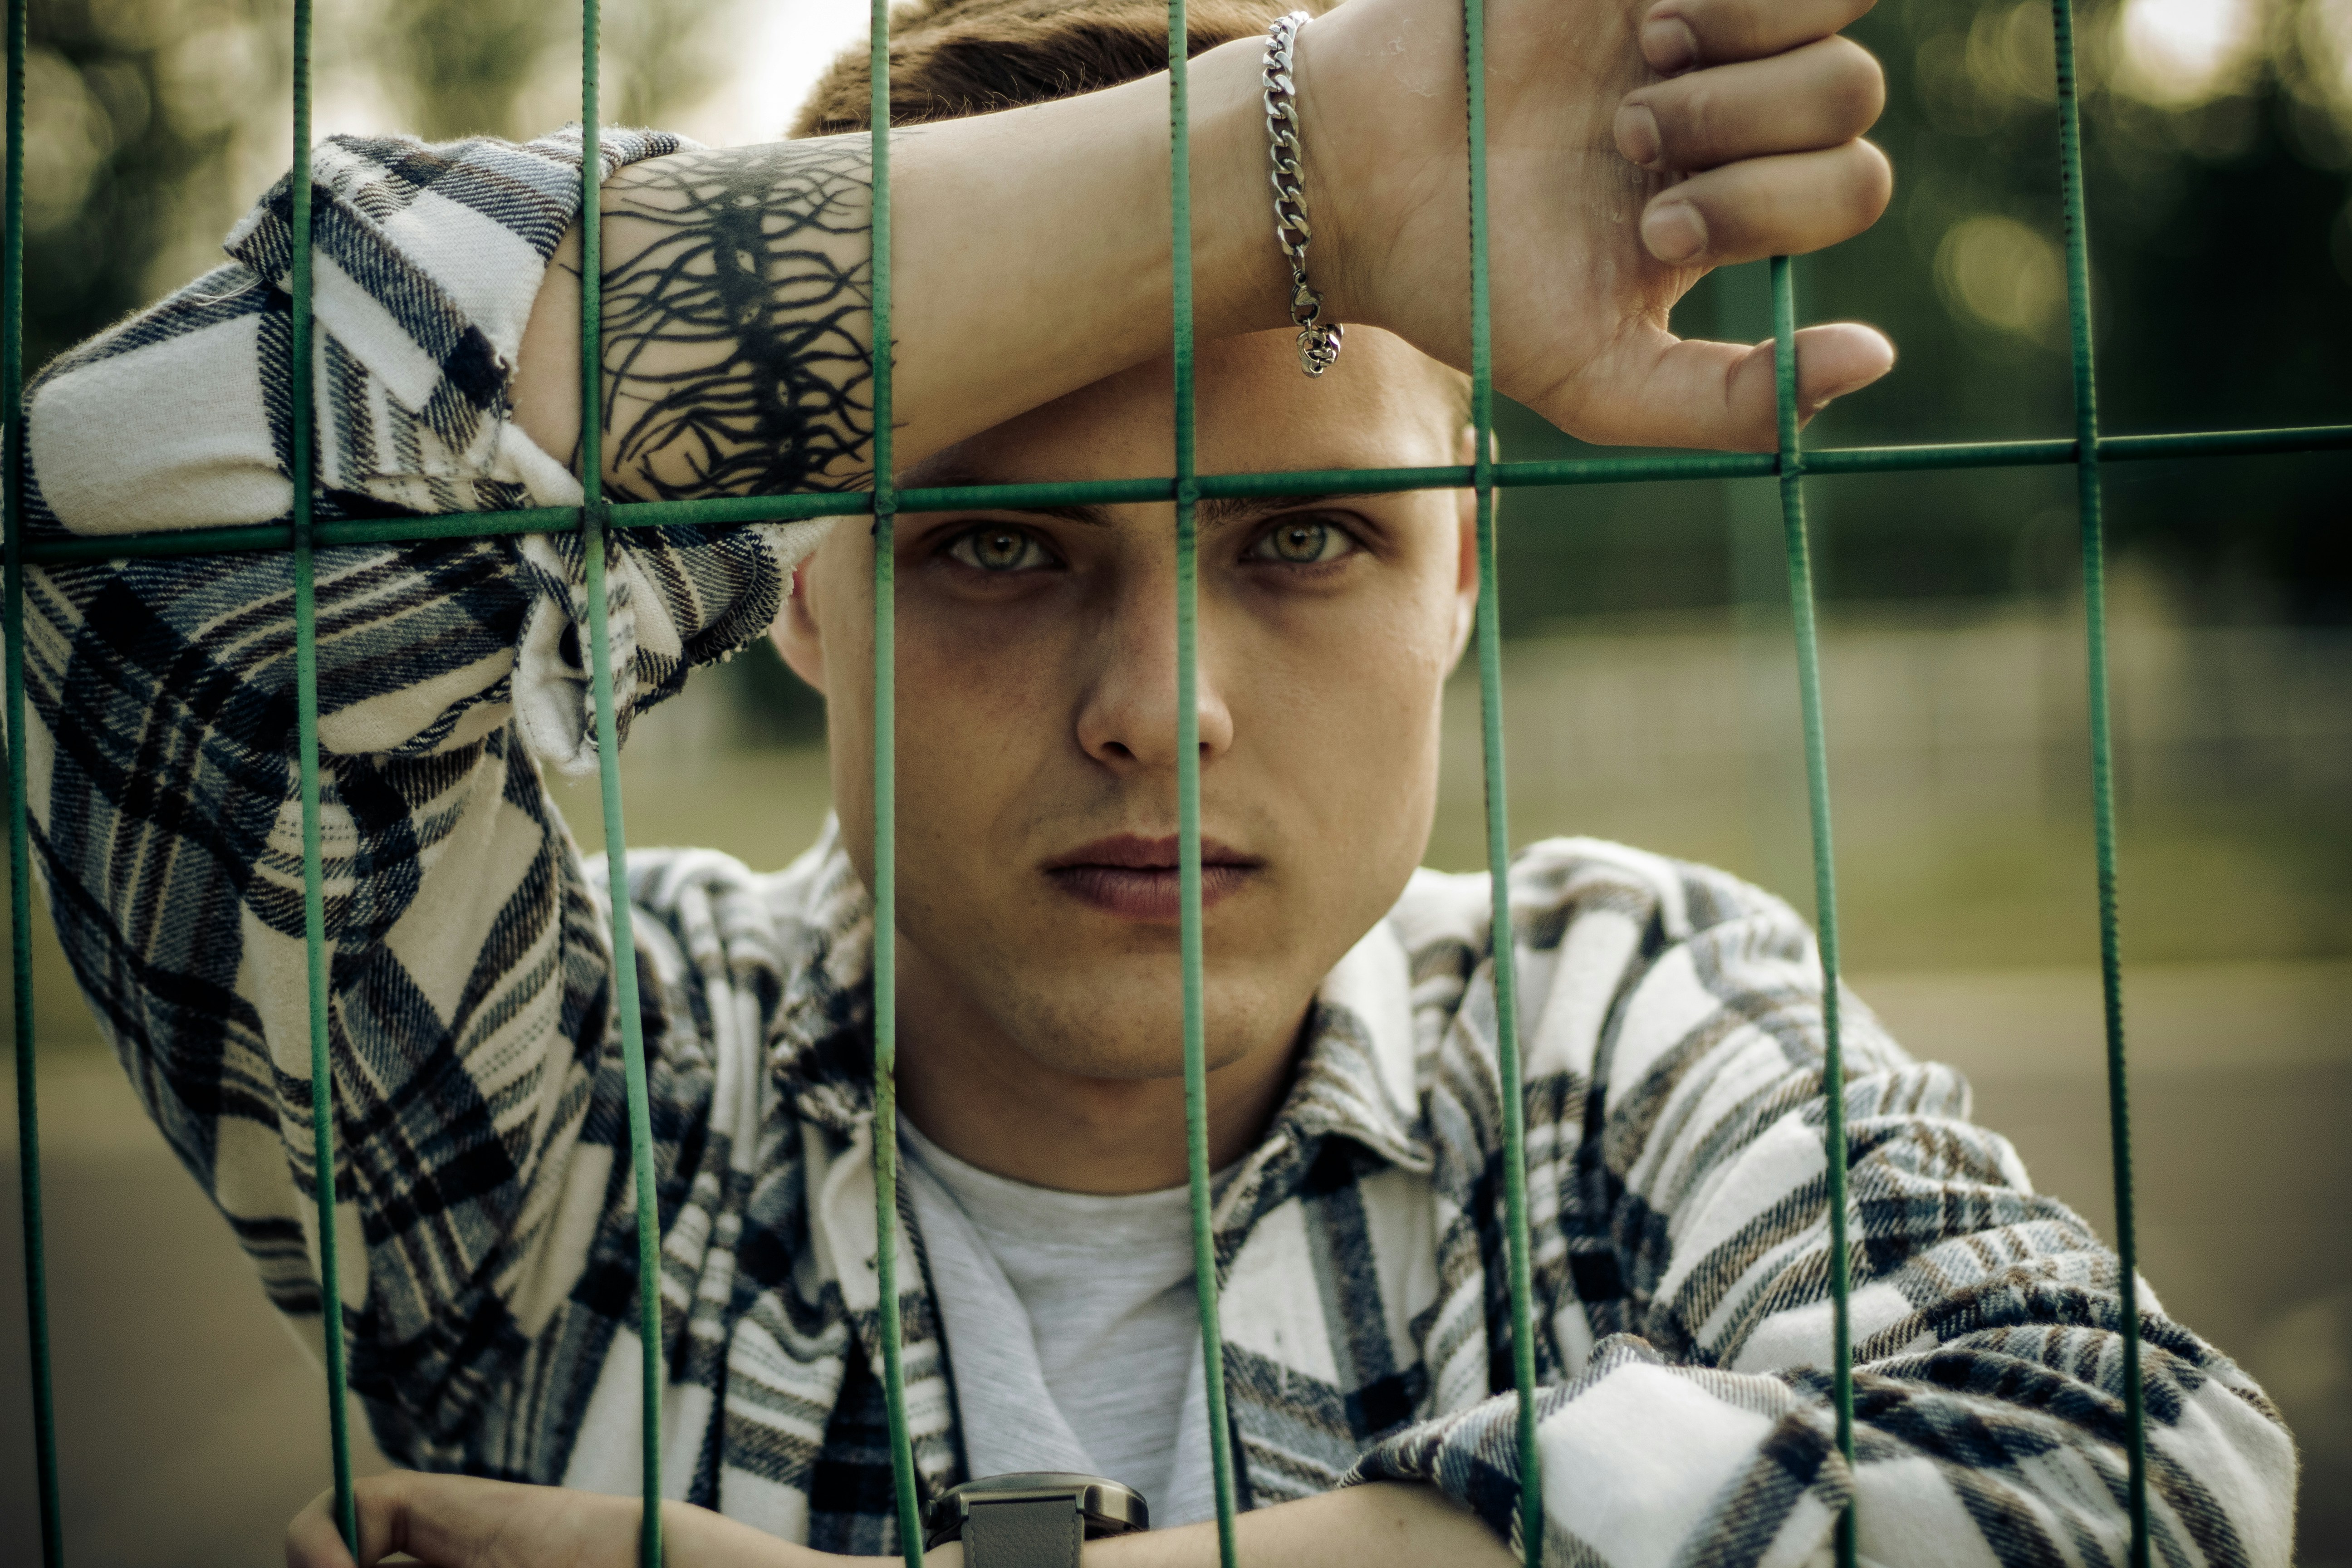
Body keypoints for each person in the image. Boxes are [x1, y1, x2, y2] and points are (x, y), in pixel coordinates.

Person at [15, 0, 2296, 1561]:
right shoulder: (591, 1117)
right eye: (992, 545)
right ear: (780, 583)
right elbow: (152, 500)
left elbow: (2144, 1468)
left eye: (1302, 539)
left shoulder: (1617, 1026)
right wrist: (1308, 161)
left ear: (1462, 579)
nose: (1156, 708)